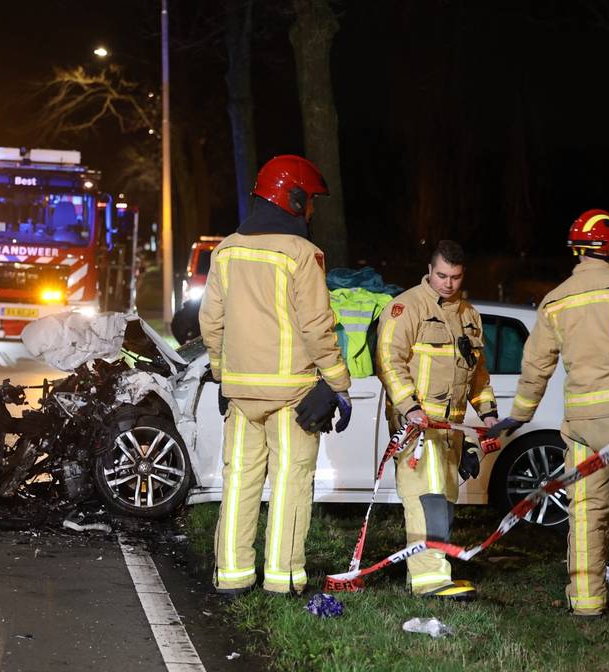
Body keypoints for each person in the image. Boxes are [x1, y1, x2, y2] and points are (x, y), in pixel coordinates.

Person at [488, 208, 609, 624]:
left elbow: (535, 366)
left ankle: (586, 602)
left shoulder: (555, 300)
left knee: (585, 510)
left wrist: (520, 415)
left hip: (579, 428)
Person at [199, 154, 351, 597]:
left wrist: (222, 374)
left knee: (240, 482)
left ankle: (232, 575)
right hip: (294, 395)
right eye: (311, 201)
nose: (313, 210)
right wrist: (338, 384)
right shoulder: (303, 254)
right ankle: (282, 579)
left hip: (241, 394)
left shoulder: (226, 250)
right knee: (289, 483)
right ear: (294, 198)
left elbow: (211, 322)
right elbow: (317, 327)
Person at [376, 240, 497, 601]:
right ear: (430, 270)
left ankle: (434, 569)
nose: (448, 283)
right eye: (441, 275)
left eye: (455, 277)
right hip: (418, 425)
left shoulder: (469, 316)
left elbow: (479, 376)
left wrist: (489, 414)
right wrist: (408, 406)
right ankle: (429, 578)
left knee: (443, 499)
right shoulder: (406, 307)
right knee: (425, 497)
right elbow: (389, 361)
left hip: (452, 429)